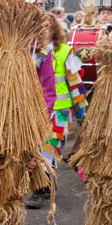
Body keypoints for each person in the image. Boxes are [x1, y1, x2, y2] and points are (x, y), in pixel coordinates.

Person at [27, 14, 87, 209]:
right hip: (34, 111)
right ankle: (43, 183)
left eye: (47, 26)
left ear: (54, 30)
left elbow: (76, 84)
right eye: (40, 26)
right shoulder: (30, 53)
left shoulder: (65, 52)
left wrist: (81, 114)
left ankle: (42, 189)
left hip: (59, 113)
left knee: (49, 150)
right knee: (34, 150)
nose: (43, 30)